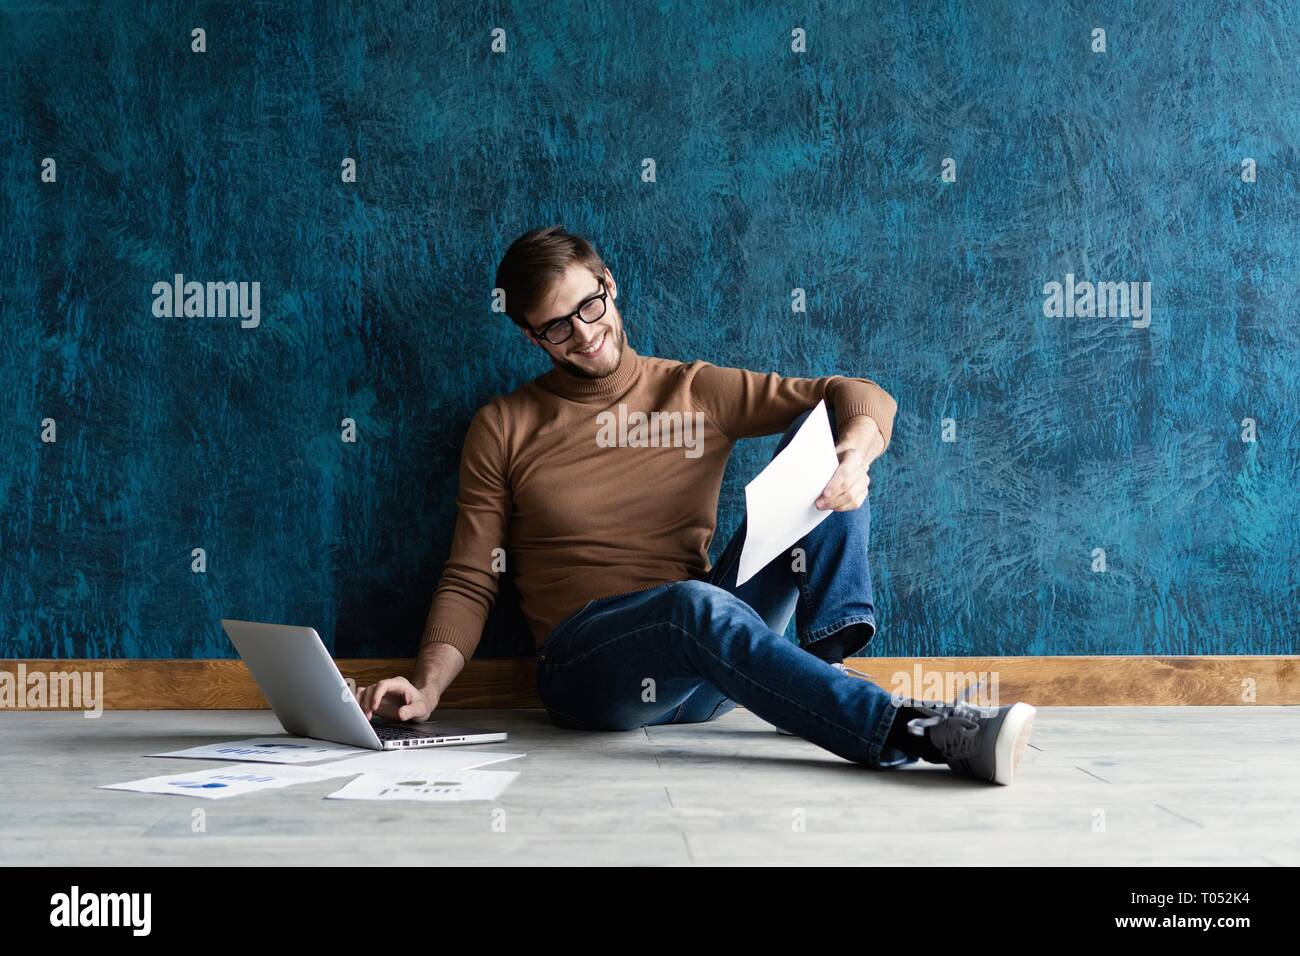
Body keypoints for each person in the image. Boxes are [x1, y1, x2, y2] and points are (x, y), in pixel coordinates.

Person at [357, 225, 1036, 785]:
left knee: (821, 440)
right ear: (533, 338)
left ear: (609, 285)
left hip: (712, 668)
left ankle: (814, 674)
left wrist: (854, 458)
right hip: (591, 669)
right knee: (691, 605)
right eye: (558, 329)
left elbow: (857, 393)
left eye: (589, 308)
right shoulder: (504, 425)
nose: (585, 334)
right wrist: (429, 687)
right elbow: (473, 576)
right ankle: (909, 729)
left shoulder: (693, 390)